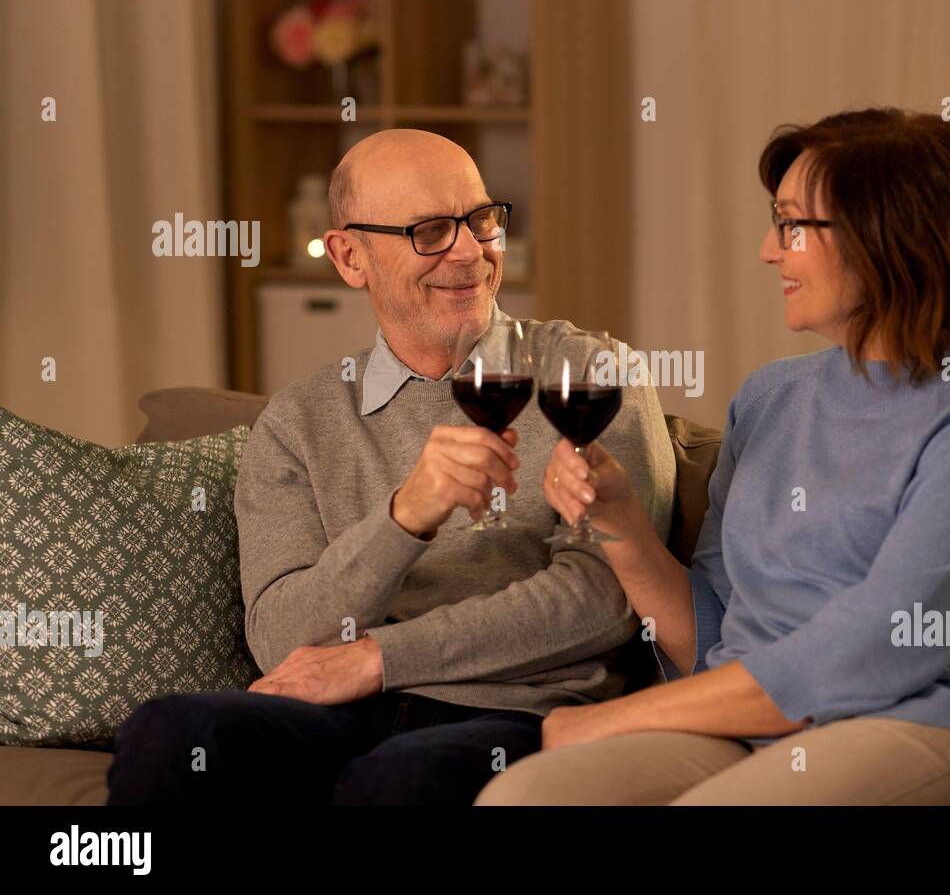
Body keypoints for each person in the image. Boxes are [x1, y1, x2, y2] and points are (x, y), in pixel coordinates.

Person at [476, 107, 950, 806]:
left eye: (791, 225)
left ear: (886, 236)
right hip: (744, 723)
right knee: (522, 797)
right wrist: (618, 517)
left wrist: (618, 717)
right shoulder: (771, 397)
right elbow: (713, 637)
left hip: (906, 719)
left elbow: (881, 645)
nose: (767, 251)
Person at [106, 129, 675, 805]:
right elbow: (282, 636)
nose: (469, 251)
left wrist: (380, 659)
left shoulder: (587, 375)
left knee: (401, 780)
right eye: (431, 230)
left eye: (481, 220)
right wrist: (404, 518)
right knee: (172, 731)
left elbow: (606, 600)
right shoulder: (298, 423)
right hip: (336, 715)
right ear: (350, 256)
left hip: (514, 714)